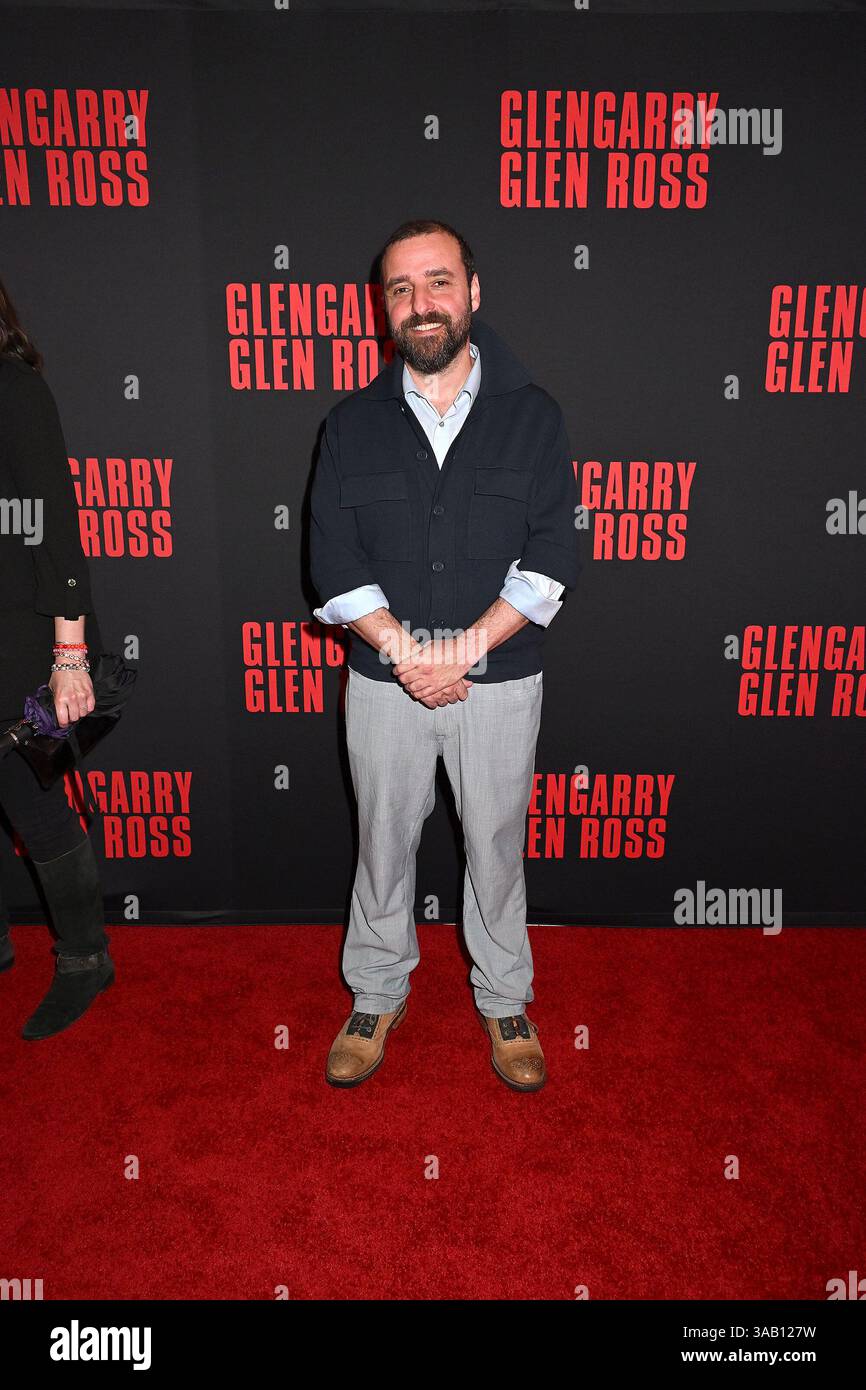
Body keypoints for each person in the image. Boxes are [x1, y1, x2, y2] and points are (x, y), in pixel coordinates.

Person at [309, 219, 581, 1091]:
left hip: (498, 682)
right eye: (400, 289)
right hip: (383, 683)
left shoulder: (533, 417)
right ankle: (377, 988)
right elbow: (333, 560)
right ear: (383, 308)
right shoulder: (350, 424)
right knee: (381, 844)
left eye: (436, 282)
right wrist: (403, 652)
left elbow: (550, 559)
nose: (420, 304)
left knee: (497, 846)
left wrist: (460, 651)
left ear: (472, 292)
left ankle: (505, 995)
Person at [0, 277, 113, 1040]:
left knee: (24, 791)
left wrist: (69, 653)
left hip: (26, 632)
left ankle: (85, 958)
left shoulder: (14, 389)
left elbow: (53, 521)